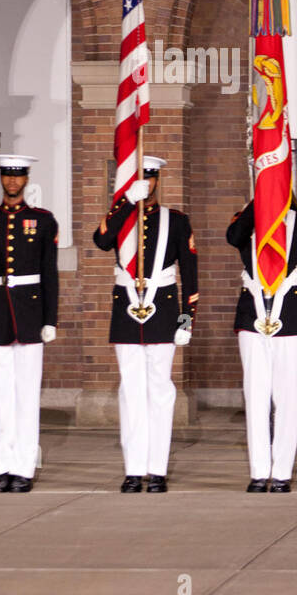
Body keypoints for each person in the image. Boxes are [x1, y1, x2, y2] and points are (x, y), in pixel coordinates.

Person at [93, 156, 198, 493]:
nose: (148, 185)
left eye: (152, 179)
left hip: (164, 313)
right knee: (131, 391)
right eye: (142, 179)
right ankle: (134, 469)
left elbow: (191, 277)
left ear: (158, 181)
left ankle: (158, 468)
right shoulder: (122, 219)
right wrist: (126, 202)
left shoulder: (177, 222)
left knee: (160, 391)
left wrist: (186, 321)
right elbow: (101, 240)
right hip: (126, 312)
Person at [0, 153, 58, 494]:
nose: (13, 182)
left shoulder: (43, 221)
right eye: (8, 176)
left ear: (27, 179)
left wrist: (50, 319)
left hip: (31, 313)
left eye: (18, 176)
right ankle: (4, 467)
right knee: (1, 397)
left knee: (27, 396)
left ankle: (25, 468)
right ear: (1, 179)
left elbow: (49, 273)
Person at [226, 198, 297, 493]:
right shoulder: (248, 218)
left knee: (286, 398)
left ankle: (281, 472)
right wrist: (257, 203)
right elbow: (233, 238)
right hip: (252, 315)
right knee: (255, 397)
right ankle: (258, 471)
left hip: (290, 318)